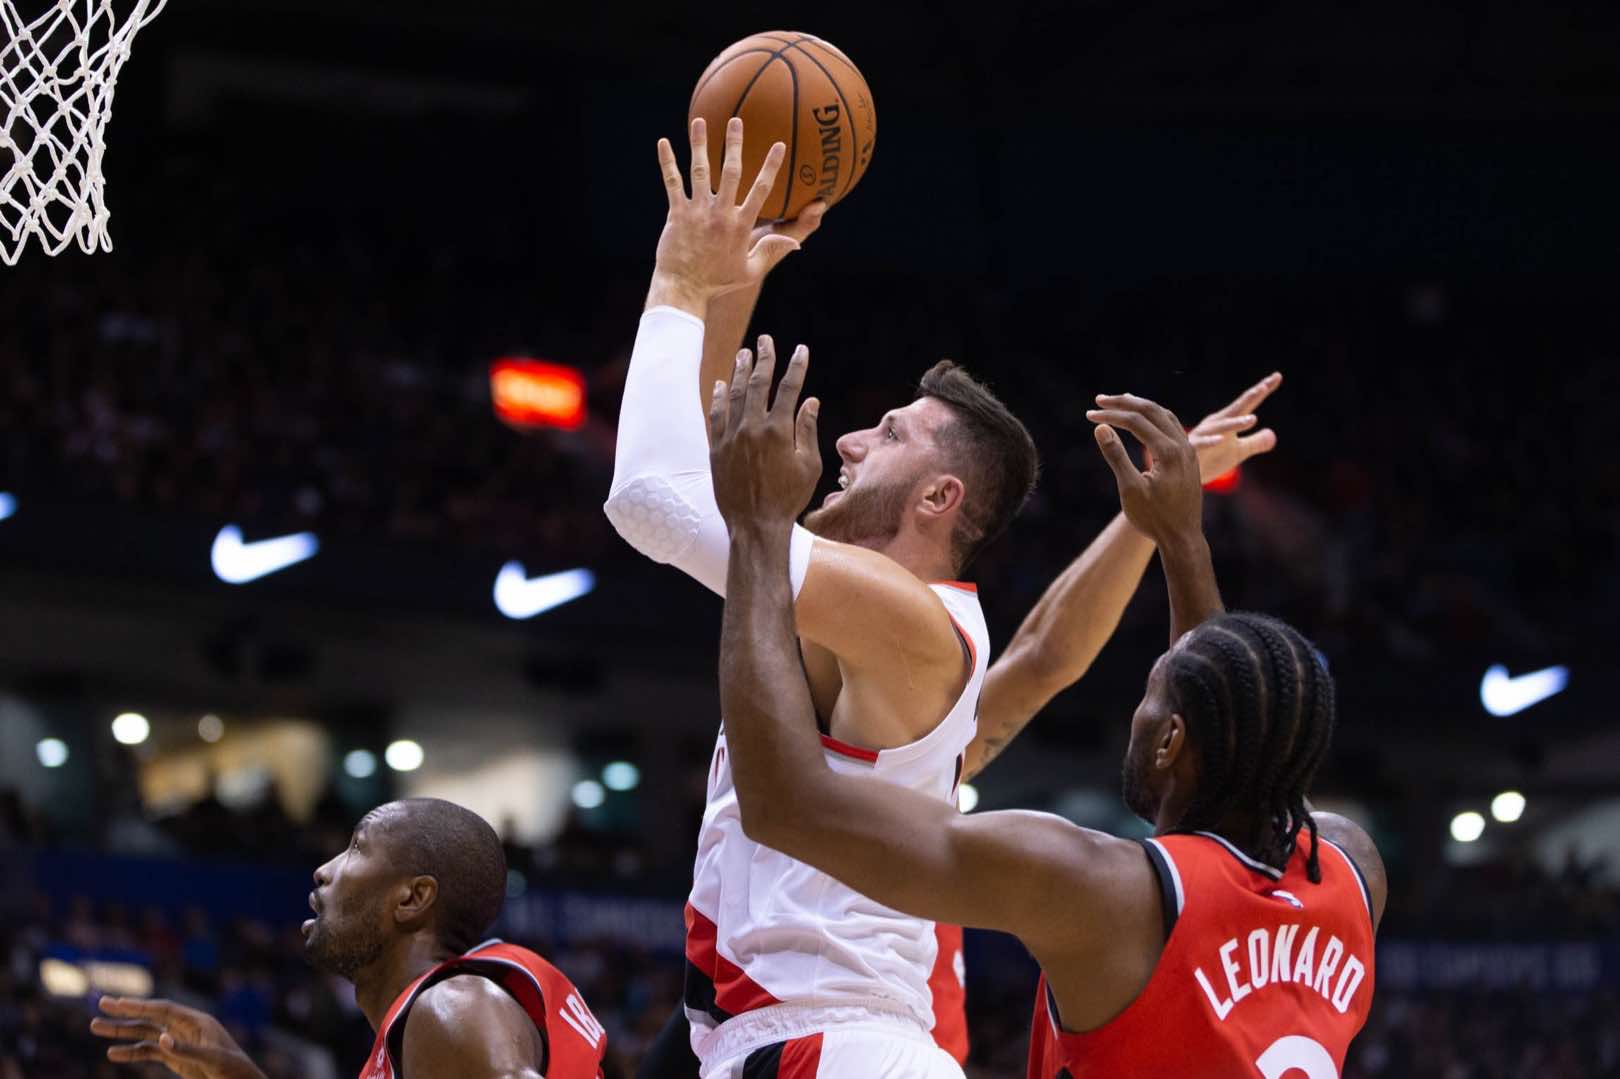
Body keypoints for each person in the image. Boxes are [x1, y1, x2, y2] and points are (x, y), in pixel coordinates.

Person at [609, 117, 1281, 1078]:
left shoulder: (905, 622)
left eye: (886, 434)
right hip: (796, 1034)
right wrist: (731, 285)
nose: (847, 442)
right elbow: (1043, 656)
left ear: (938, 497)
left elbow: (656, 498)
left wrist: (680, 280)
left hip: (841, 1038)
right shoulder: (903, 650)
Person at [703, 345, 1387, 1078]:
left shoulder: (1098, 885)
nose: (1137, 716)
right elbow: (1078, 670)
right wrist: (1172, 534)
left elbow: (783, 806)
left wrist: (757, 526)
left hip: (850, 1041)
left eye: (1149, 698)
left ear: (1172, 742)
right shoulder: (1353, 871)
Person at [90, 798, 609, 1079]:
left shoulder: (450, 1008)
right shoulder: (420, 1027)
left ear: (412, 898)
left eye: (356, 848)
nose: (323, 870)